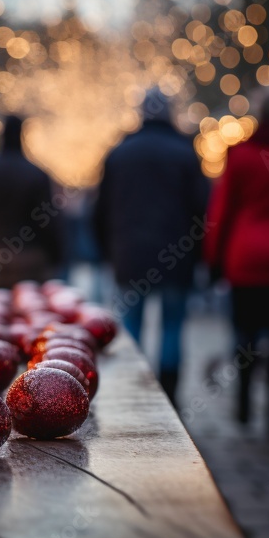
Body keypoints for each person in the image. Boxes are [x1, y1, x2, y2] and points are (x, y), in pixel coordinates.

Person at [203, 91, 269, 436]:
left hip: (245, 258)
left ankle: (244, 406)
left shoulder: (241, 155)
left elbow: (222, 211)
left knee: (245, 336)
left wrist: (214, 258)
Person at [93, 88, 209, 403]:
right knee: (173, 327)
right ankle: (169, 395)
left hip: (130, 255)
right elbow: (202, 208)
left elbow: (100, 209)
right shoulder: (185, 152)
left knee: (131, 330)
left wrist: (107, 251)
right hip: (176, 256)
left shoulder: (120, 152)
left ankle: (135, 396)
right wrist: (198, 254)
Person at [0, 115, 63, 289]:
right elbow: (48, 220)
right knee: (30, 307)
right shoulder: (36, 173)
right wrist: (57, 255)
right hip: (29, 253)